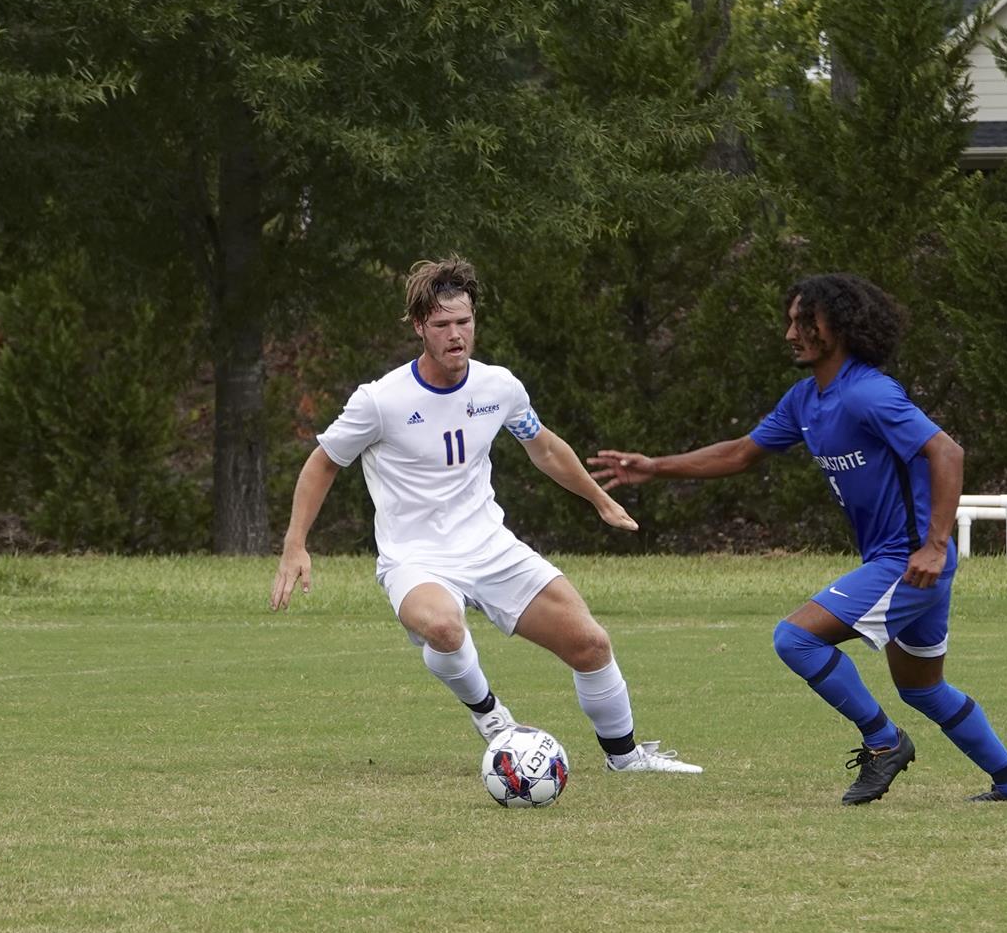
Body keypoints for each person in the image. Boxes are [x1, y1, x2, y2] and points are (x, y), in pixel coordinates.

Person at [589, 273, 1007, 805]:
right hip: (905, 562)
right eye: (790, 321)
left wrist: (935, 546)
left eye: (805, 321)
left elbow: (947, 453)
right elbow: (741, 453)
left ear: (840, 326)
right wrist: (655, 467)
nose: (791, 333)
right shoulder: (806, 400)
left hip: (910, 561)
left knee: (795, 639)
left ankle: (885, 742)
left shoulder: (869, 393)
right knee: (923, 688)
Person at [272, 257, 701, 775]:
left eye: (464, 321)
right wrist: (295, 544)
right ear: (419, 326)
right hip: (415, 558)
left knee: (591, 643)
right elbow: (322, 463)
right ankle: (491, 715)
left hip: (490, 546)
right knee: (444, 627)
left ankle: (626, 759)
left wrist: (599, 500)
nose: (456, 335)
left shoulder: (499, 387)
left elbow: (545, 448)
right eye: (442, 324)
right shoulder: (380, 401)